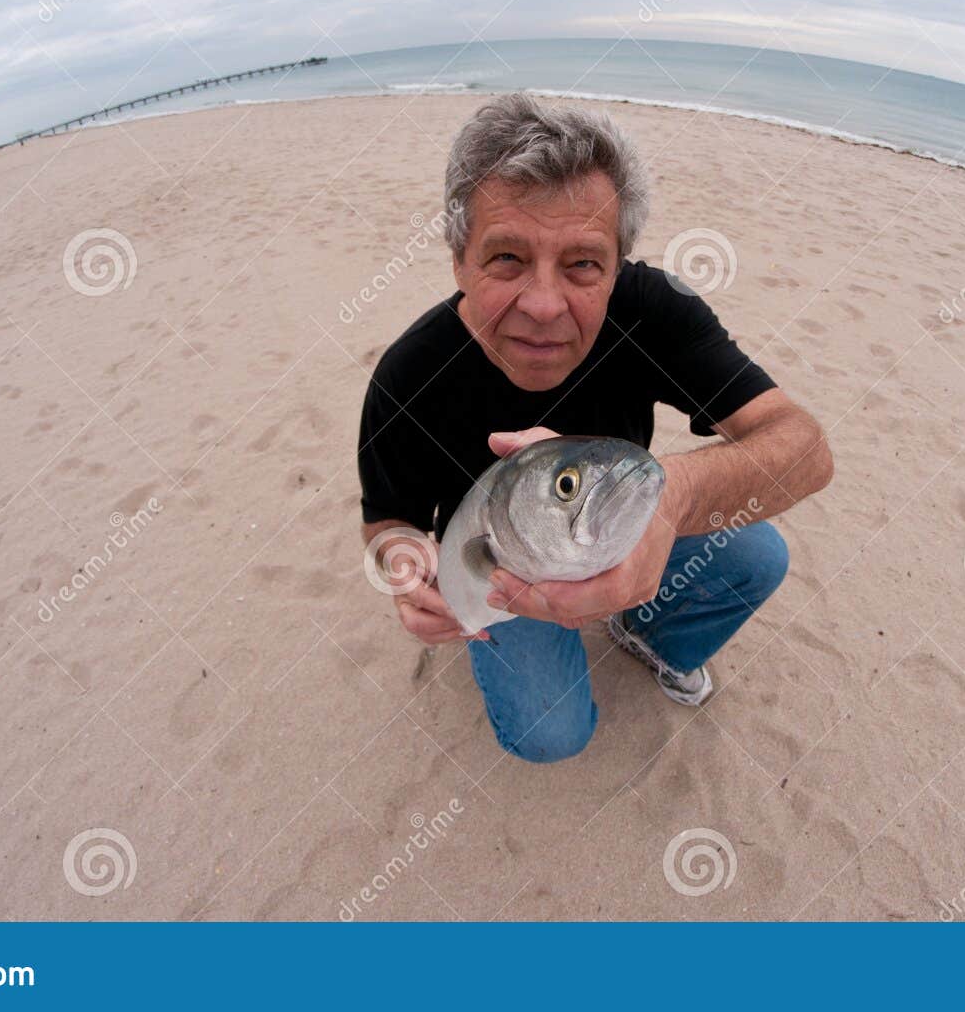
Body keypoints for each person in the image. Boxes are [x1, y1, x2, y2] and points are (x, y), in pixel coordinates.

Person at [357, 93, 834, 763]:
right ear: (459, 259)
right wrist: (407, 575)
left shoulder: (654, 311)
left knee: (756, 556)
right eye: (507, 257)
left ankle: (648, 633)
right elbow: (387, 520)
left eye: (582, 263)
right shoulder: (409, 377)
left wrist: (676, 498)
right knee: (550, 734)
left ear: (617, 266)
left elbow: (804, 447)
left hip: (618, 516)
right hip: (504, 573)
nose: (543, 305)